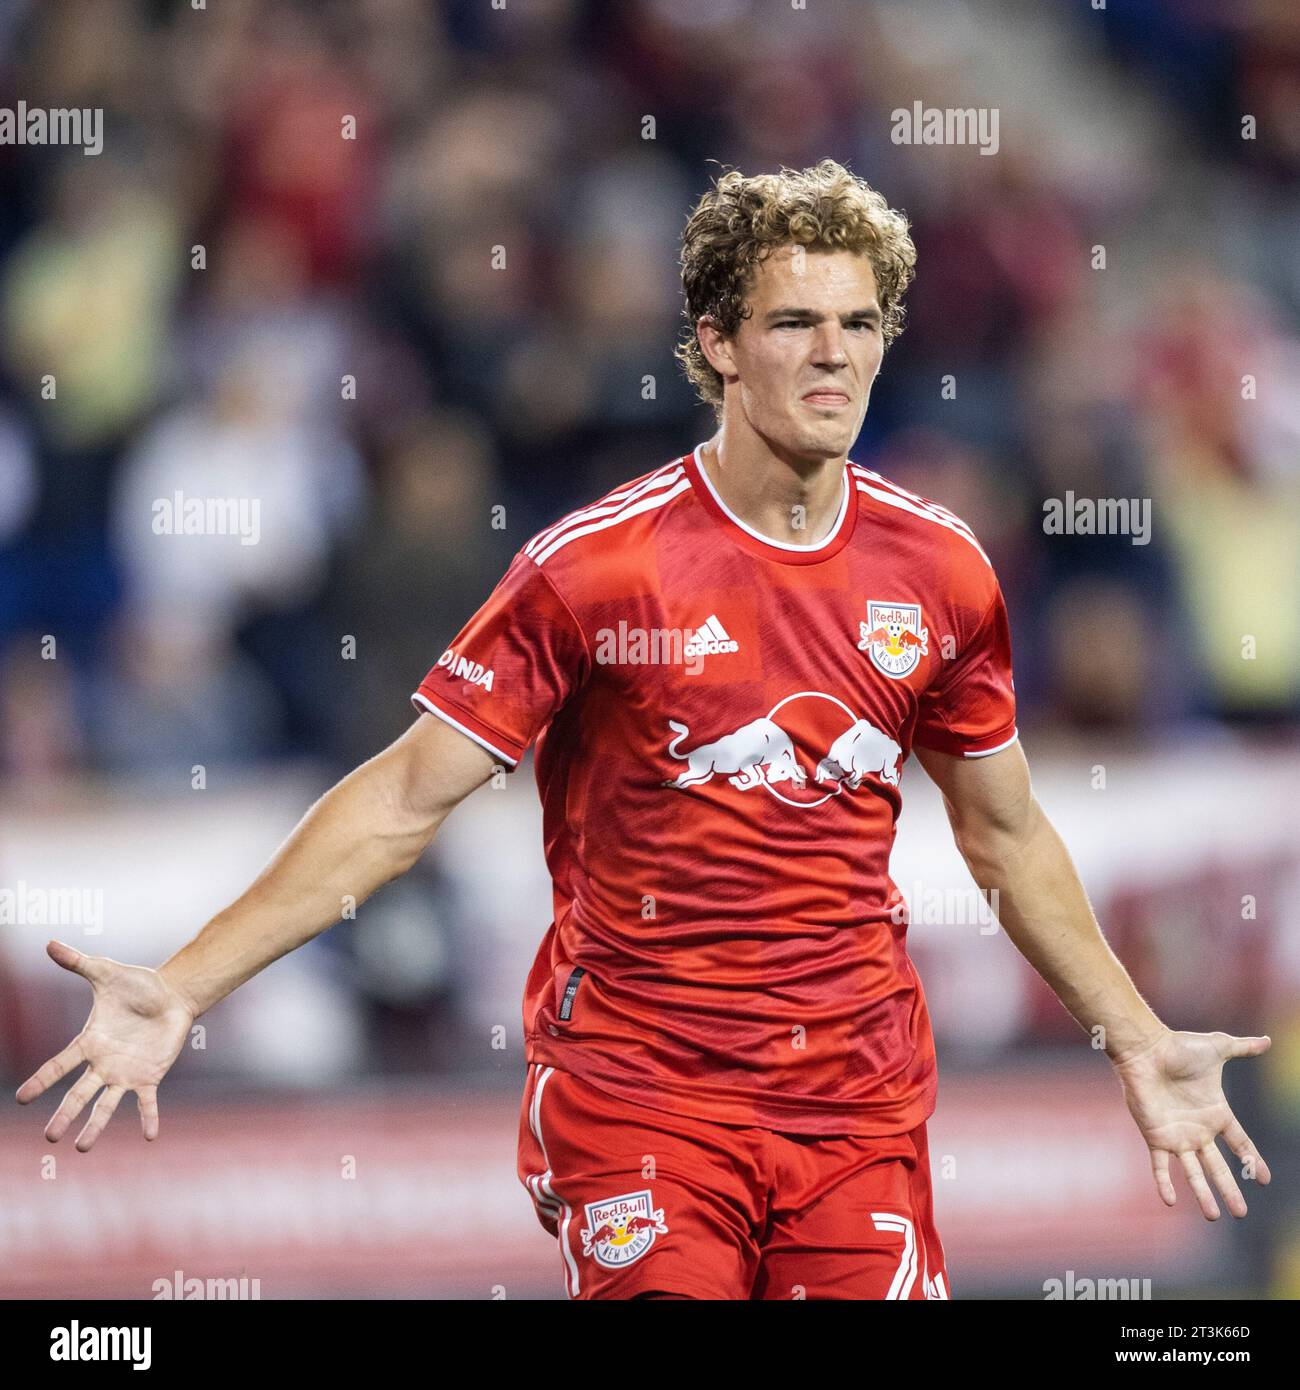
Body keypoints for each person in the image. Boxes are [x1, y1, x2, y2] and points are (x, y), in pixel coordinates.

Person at [16, 159, 1271, 1300]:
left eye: (857, 325)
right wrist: (185, 983)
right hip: (641, 1099)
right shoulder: (598, 569)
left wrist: (1135, 1035)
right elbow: (403, 800)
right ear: (718, 344)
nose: (832, 357)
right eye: (793, 324)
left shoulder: (940, 571)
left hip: (856, 1111)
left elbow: (1005, 835)